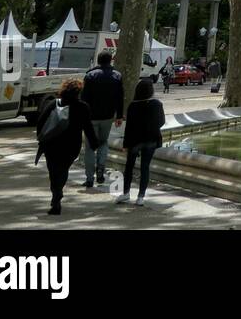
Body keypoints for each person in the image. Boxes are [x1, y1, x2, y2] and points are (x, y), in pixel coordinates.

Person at [36, 76, 99, 216]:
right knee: (63, 169)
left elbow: (40, 122)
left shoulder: (53, 104)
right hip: (71, 145)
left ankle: (56, 194)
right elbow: (88, 128)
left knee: (53, 171)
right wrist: (94, 144)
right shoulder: (83, 107)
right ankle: (58, 193)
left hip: (52, 144)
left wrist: (41, 138)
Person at [117, 78, 165, 206]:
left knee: (129, 166)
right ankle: (140, 197)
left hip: (134, 140)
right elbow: (162, 122)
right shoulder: (157, 104)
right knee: (145, 167)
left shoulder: (133, 105)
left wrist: (125, 144)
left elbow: (129, 127)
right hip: (151, 139)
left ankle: (126, 193)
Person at [80, 50, 124, 189]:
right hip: (107, 116)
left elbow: (84, 99)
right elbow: (120, 98)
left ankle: (89, 178)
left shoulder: (90, 75)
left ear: (98, 61)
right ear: (111, 60)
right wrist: (119, 115)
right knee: (103, 142)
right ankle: (101, 169)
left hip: (91, 117)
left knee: (89, 147)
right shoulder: (117, 76)